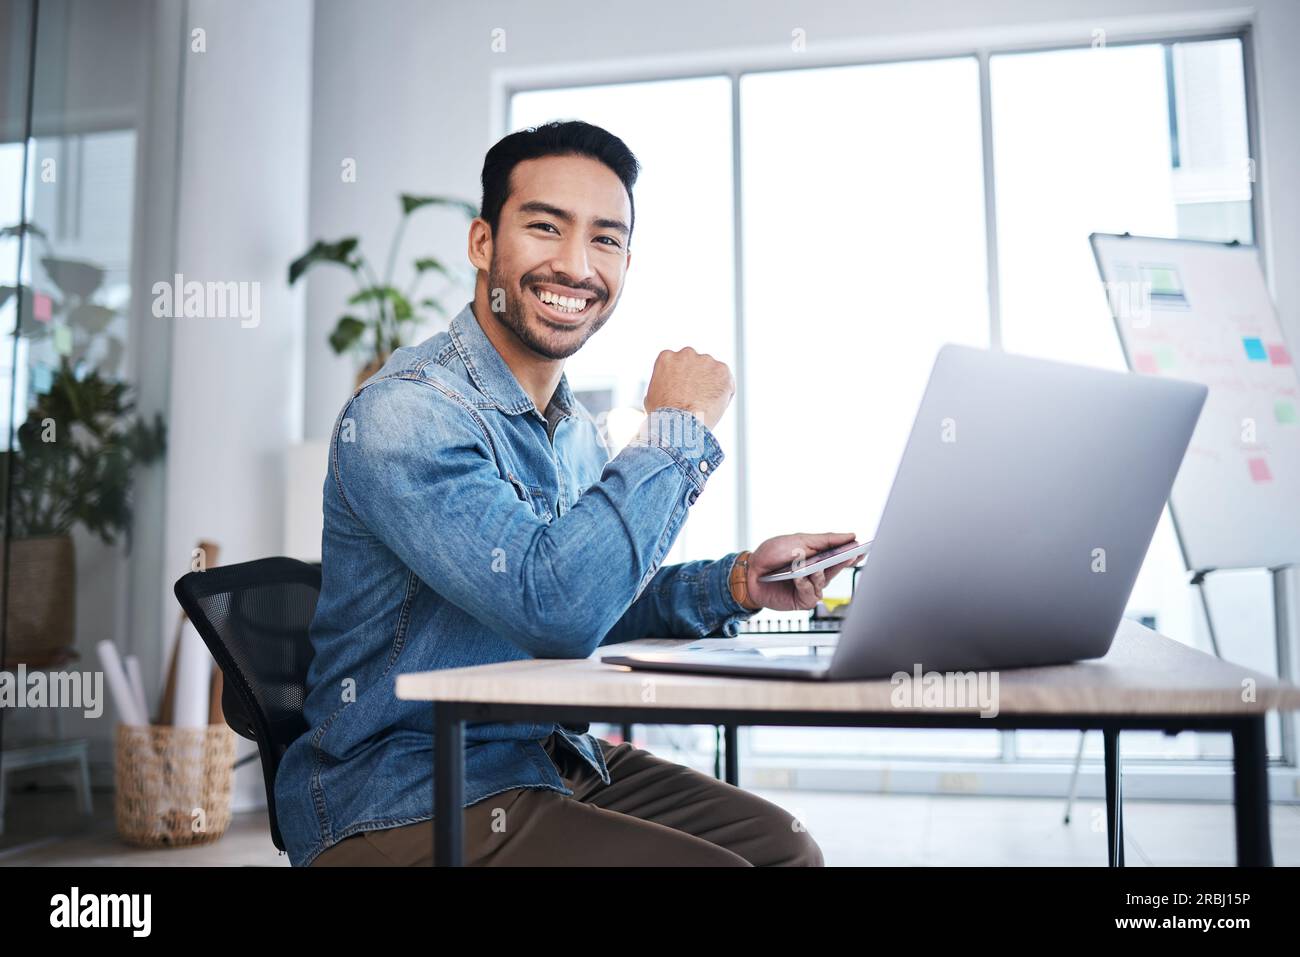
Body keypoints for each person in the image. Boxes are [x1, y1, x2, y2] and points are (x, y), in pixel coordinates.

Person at [276, 120, 859, 866]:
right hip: (402, 793)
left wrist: (741, 579)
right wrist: (672, 428)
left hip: (543, 759)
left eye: (606, 239)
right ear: (483, 244)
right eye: (545, 227)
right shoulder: (406, 414)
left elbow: (600, 601)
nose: (575, 264)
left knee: (784, 846)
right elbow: (556, 606)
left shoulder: (573, 430)